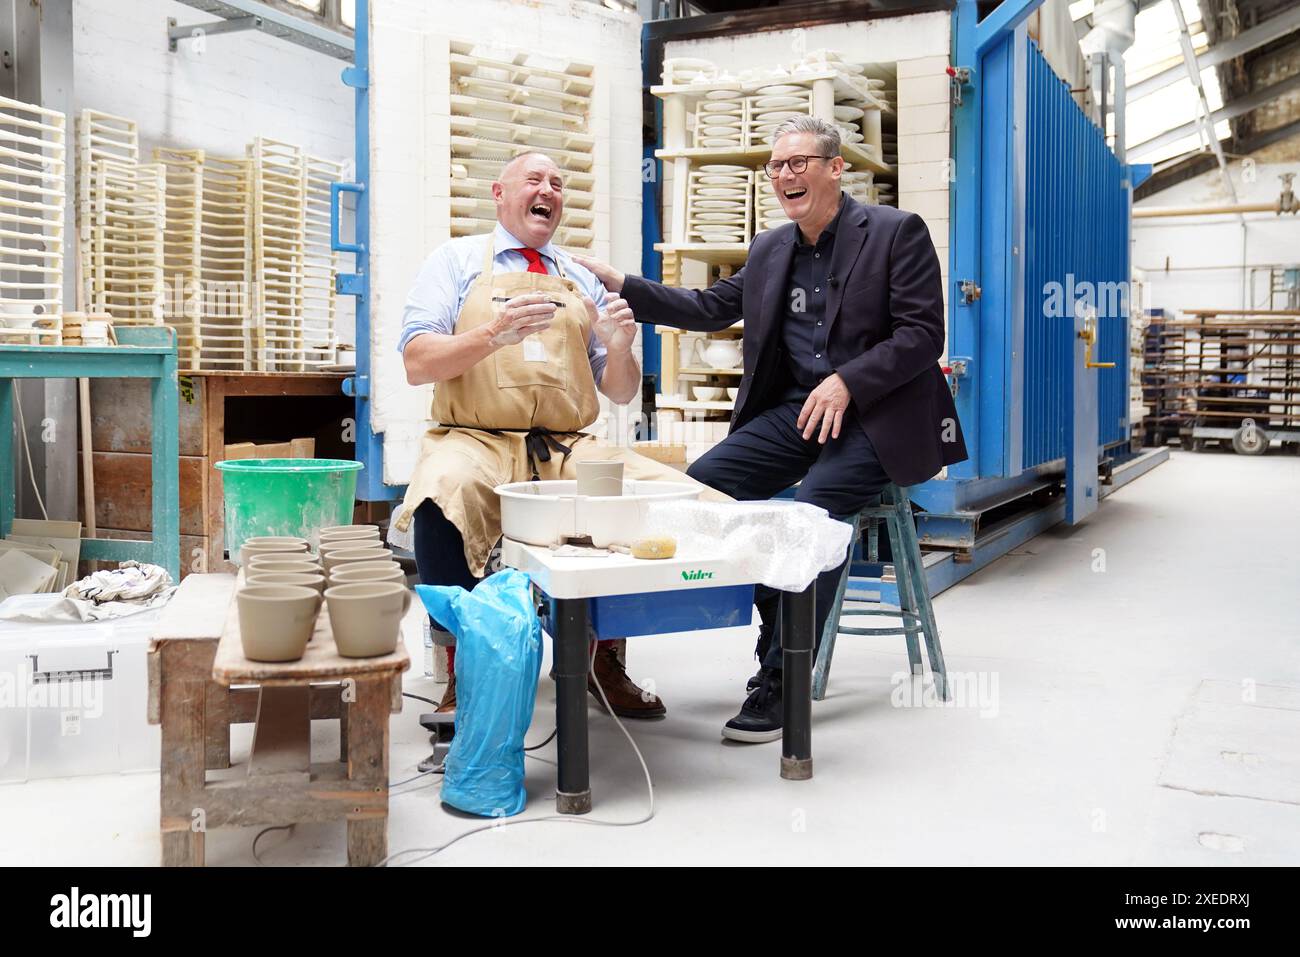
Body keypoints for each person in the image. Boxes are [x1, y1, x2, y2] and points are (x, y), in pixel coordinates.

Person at [575, 116, 968, 743]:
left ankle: (781, 678)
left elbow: (923, 336)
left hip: (880, 415)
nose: (785, 175)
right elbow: (706, 309)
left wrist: (849, 382)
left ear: (836, 168)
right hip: (799, 413)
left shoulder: (896, 232)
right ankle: (773, 615)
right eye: (776, 166)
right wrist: (622, 284)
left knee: (810, 515)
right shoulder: (769, 248)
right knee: (706, 486)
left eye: (799, 162)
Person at [393, 151, 727, 720]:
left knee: (652, 494)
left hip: (566, 442)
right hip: (475, 436)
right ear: (499, 193)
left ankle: (602, 661)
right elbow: (417, 362)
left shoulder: (577, 278)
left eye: (557, 183)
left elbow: (618, 391)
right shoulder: (454, 261)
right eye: (534, 180)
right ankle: (464, 669)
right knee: (442, 490)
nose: (547, 190)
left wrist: (620, 348)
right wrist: (493, 332)